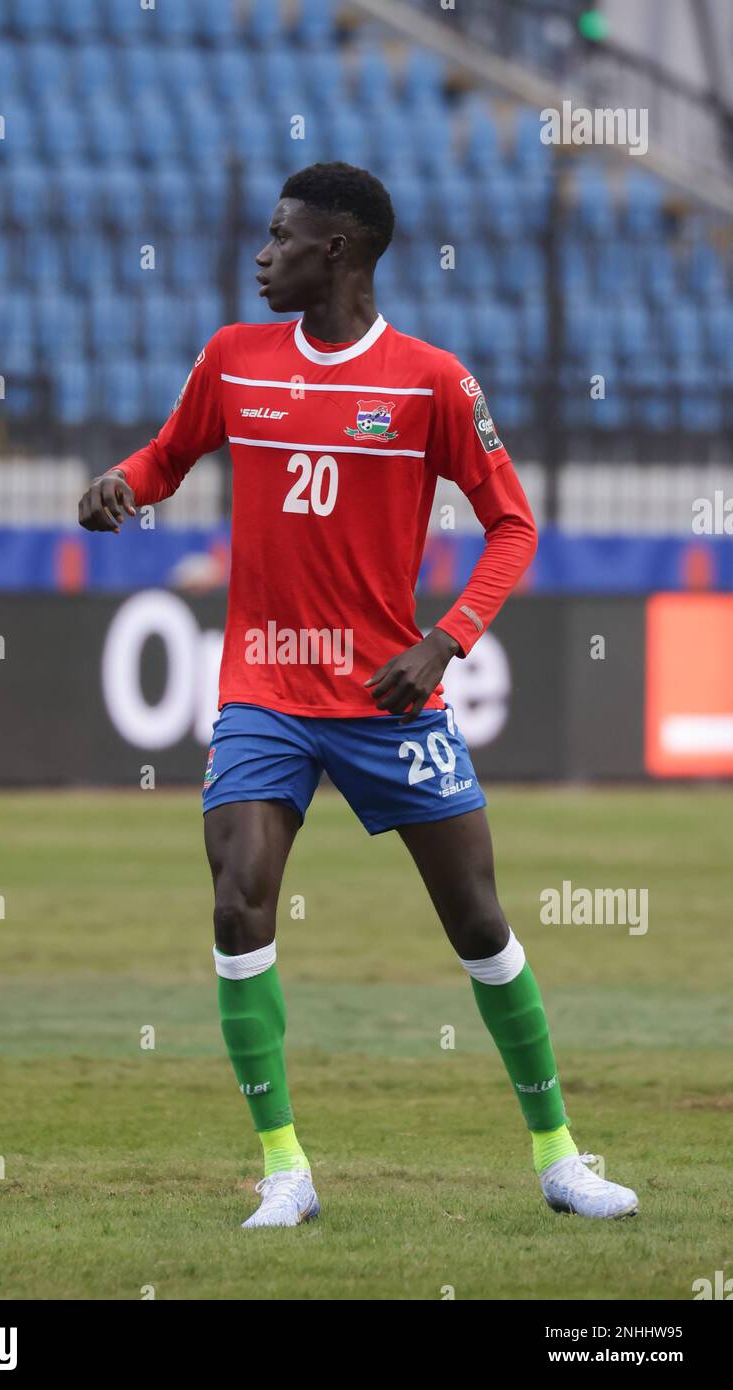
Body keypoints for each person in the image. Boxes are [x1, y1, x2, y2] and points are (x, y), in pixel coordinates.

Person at [79, 162, 638, 1227]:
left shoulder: (431, 382)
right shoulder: (233, 359)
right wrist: (123, 484)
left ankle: (560, 1155)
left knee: (477, 921)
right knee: (239, 896)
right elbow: (167, 456)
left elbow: (512, 524)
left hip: (389, 694)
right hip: (265, 687)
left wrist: (445, 641)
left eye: (282, 236)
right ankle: (285, 1167)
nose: (262, 252)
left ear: (337, 250)